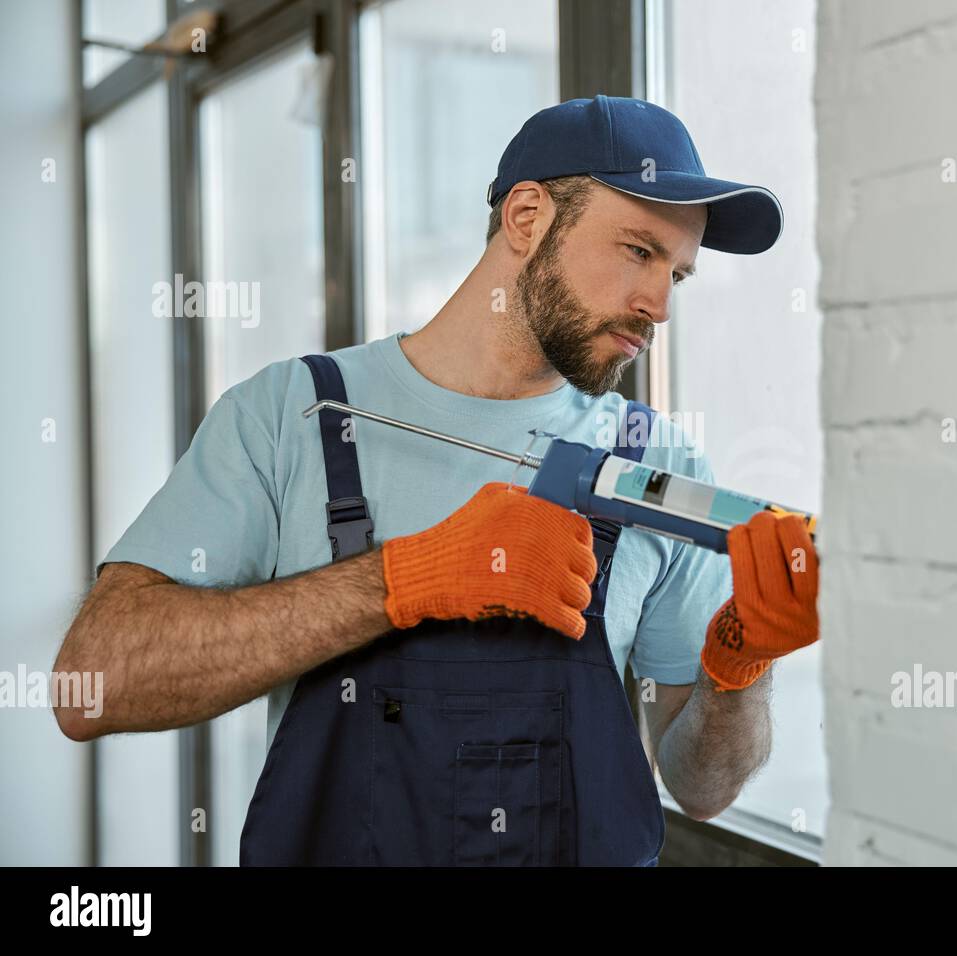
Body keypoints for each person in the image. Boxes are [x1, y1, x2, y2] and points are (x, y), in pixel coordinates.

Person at [54, 94, 819, 866]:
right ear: (527, 218)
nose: (657, 305)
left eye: (678, 276)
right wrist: (410, 577)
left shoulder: (658, 463)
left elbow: (701, 786)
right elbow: (95, 682)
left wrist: (738, 665)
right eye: (638, 251)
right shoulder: (293, 414)